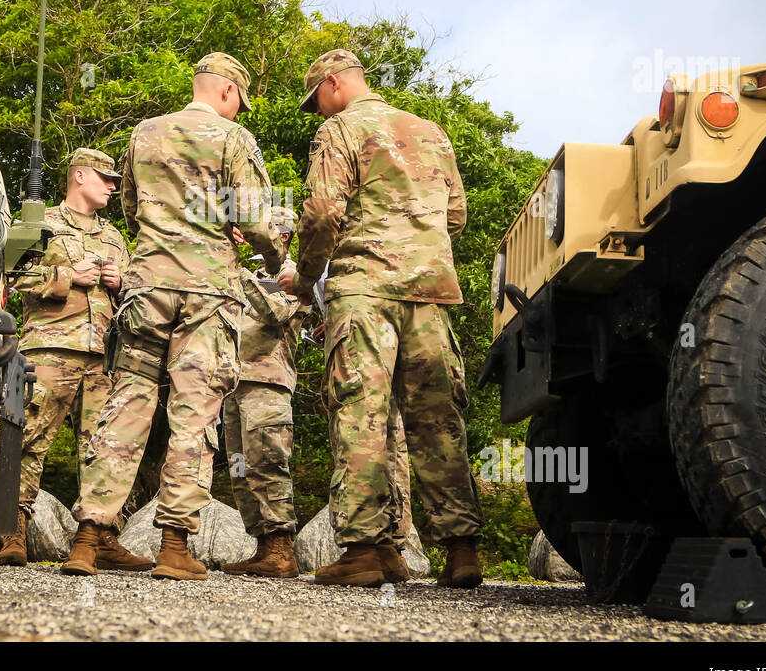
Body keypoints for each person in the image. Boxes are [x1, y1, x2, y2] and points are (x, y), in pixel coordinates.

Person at [62, 52, 283, 580]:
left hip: (145, 287)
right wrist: (274, 255)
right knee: (194, 415)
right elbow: (254, 218)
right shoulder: (234, 140)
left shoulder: (144, 132)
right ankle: (174, 547)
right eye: (240, 104)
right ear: (229, 93)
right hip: (207, 294)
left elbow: (133, 210)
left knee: (125, 408)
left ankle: (88, 539)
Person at [280, 48, 484, 588]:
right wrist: (418, 252)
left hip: (365, 291)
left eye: (316, 101)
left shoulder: (341, 130)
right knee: (438, 420)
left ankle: (367, 551)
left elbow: (321, 211)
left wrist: (306, 277)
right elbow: (456, 213)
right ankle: (461, 551)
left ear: (331, 83)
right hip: (430, 291)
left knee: (362, 413)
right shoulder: (428, 129)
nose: (318, 112)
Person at [0, 148, 152, 572]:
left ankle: (100, 535)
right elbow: (13, 276)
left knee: (105, 448)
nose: (113, 187)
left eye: (116, 181)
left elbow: (136, 296)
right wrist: (67, 277)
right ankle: (13, 531)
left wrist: (121, 282)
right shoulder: (40, 223)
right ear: (79, 176)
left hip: (103, 355)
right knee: (29, 438)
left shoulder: (114, 238)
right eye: (106, 178)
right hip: (50, 346)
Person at [220, 207, 311, 578]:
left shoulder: (293, 276)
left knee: (267, 464)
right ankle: (263, 546)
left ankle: (281, 546)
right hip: (234, 382)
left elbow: (276, 314)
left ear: (283, 236)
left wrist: (238, 275)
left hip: (268, 383)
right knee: (240, 469)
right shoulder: (253, 275)